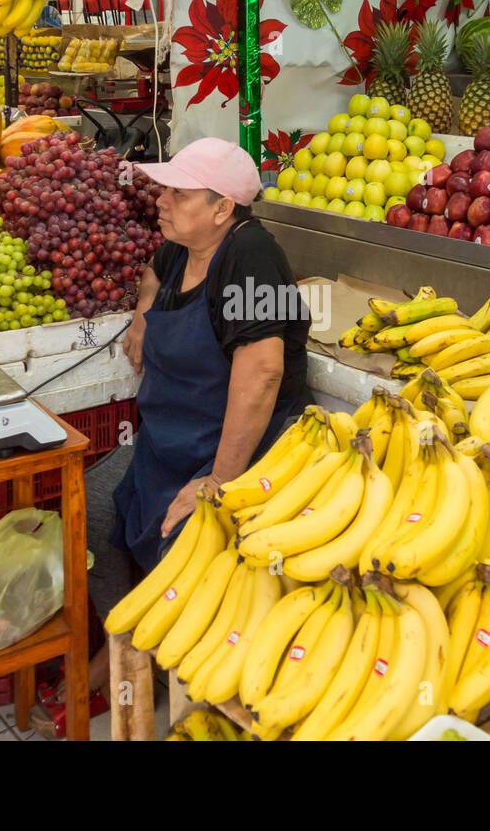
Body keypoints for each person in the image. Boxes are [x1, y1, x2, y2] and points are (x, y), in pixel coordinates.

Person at [54, 139, 311, 732]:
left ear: (223, 207)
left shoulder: (253, 257)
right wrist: (145, 312)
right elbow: (151, 275)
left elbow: (264, 372)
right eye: (164, 188)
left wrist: (218, 482)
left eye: (178, 193)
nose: (161, 201)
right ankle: (133, 645)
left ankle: (163, 669)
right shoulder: (179, 250)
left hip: (244, 446)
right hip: (173, 436)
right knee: (94, 508)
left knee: (186, 539)